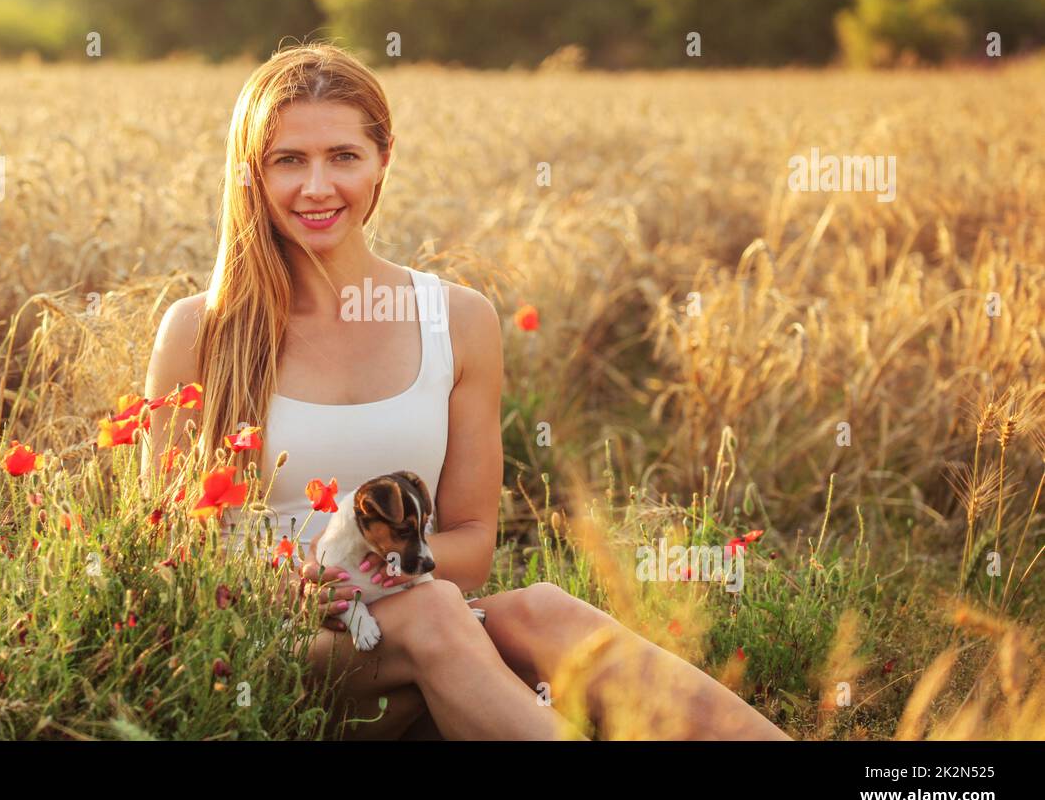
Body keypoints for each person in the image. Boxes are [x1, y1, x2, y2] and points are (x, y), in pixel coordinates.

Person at [143, 40, 790, 741]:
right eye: (288, 161)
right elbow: (172, 552)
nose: (318, 187)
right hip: (268, 651)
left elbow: (474, 544)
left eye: (344, 157)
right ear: (251, 175)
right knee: (434, 612)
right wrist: (302, 586)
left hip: (419, 628)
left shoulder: (456, 320)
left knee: (540, 608)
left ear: (383, 160)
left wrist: (383, 565)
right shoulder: (201, 332)